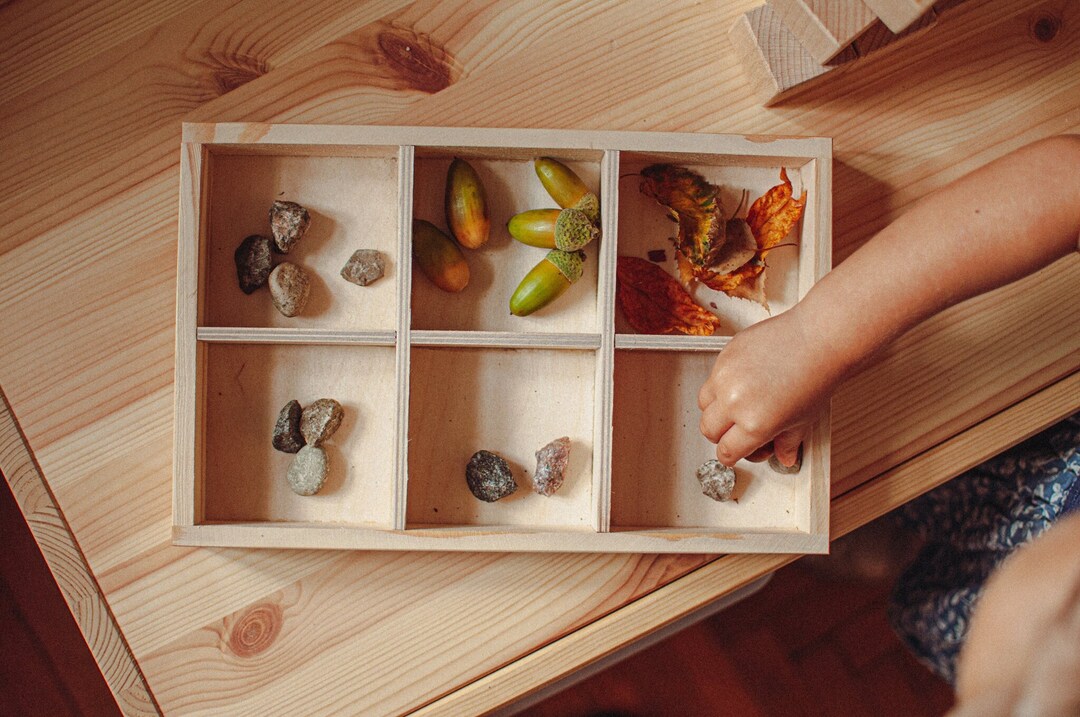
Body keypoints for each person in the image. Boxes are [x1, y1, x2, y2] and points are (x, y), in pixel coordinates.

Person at [696, 135, 1080, 715]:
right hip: (1022, 458)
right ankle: (903, 530)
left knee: (935, 573)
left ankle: (900, 546)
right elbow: (1068, 182)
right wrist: (818, 333)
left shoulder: (1031, 625)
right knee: (943, 523)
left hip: (1004, 518)